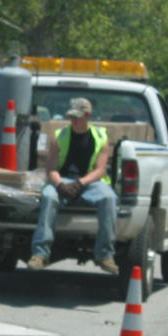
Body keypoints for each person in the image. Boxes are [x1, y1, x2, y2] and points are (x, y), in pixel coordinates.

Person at [28, 97, 119, 274]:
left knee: (109, 198)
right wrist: (60, 185)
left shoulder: (101, 137)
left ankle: (105, 255)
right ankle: (40, 254)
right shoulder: (59, 135)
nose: (74, 120)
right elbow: (51, 169)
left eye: (78, 117)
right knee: (48, 196)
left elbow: (100, 170)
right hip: (63, 180)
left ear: (88, 116)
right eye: (71, 116)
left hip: (90, 182)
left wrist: (79, 183)